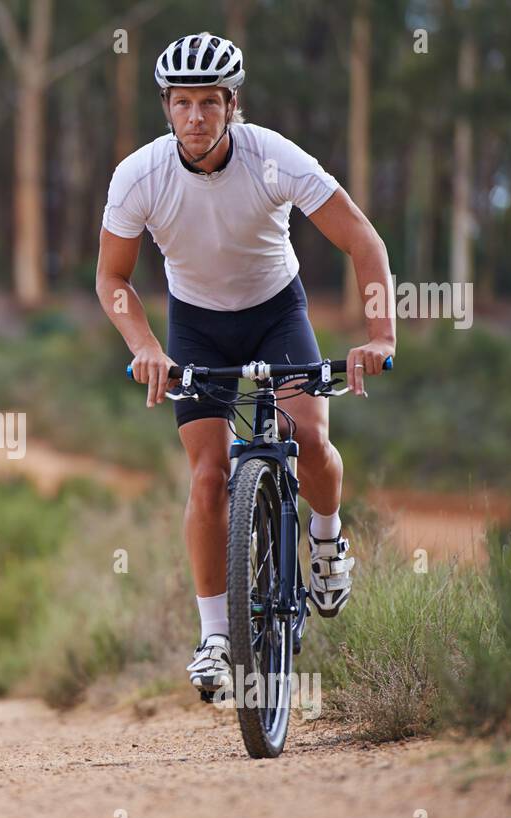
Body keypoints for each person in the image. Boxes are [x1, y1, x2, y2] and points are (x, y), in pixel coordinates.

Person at [95, 31, 396, 695]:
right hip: (196, 326)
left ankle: (325, 541)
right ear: (166, 108)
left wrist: (380, 335)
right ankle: (214, 637)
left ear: (233, 105)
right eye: (182, 103)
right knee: (207, 476)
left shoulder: (274, 157)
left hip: (275, 314)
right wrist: (146, 346)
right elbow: (113, 278)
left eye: (210, 102)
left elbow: (363, 241)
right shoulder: (139, 176)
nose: (196, 117)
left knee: (308, 436)